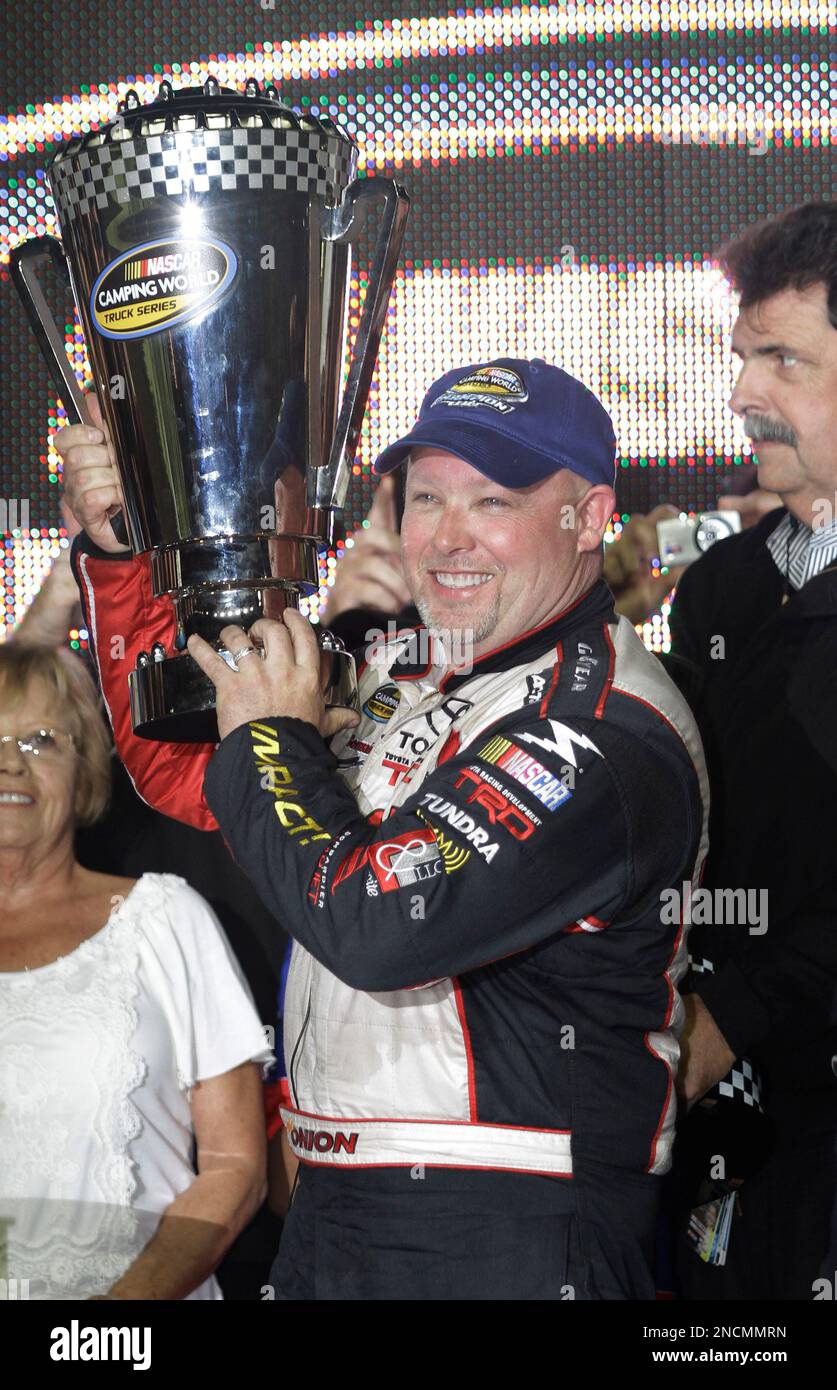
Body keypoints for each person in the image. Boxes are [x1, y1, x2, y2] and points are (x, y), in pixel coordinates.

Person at [59, 355, 709, 1300]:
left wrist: (276, 732)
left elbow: (379, 920)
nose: (446, 538)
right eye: (424, 498)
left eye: (491, 502)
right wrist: (127, 554)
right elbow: (196, 773)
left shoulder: (607, 729)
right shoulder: (400, 672)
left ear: (591, 517)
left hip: (506, 1230)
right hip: (334, 1210)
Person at [608, 201, 837, 1299]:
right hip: (725, 1136)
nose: (744, 393)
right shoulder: (722, 588)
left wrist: (732, 1017)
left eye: (783, 360)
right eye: (742, 359)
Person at [0, 643, 272, 1300]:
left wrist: (119, 1311)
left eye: (41, 740)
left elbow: (236, 1164)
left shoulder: (161, 919)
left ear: (86, 770)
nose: (10, 762)